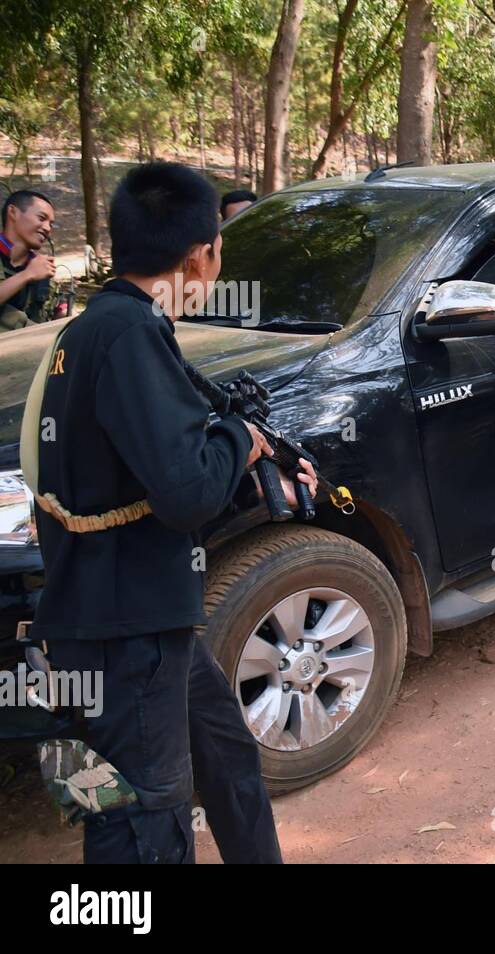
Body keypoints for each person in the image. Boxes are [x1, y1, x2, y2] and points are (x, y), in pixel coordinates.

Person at [25, 162, 317, 864]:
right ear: (198, 256)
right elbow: (185, 493)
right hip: (126, 632)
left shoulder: (103, 324)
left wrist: (250, 454)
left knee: (226, 759)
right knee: (141, 821)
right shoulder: (128, 337)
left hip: (137, 616)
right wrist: (240, 439)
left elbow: (142, 465)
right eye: (219, 252)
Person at [0, 189, 56, 330]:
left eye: (51, 224)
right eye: (41, 218)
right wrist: (27, 274)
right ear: (13, 212)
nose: (47, 228)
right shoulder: (34, 271)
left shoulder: (42, 272)